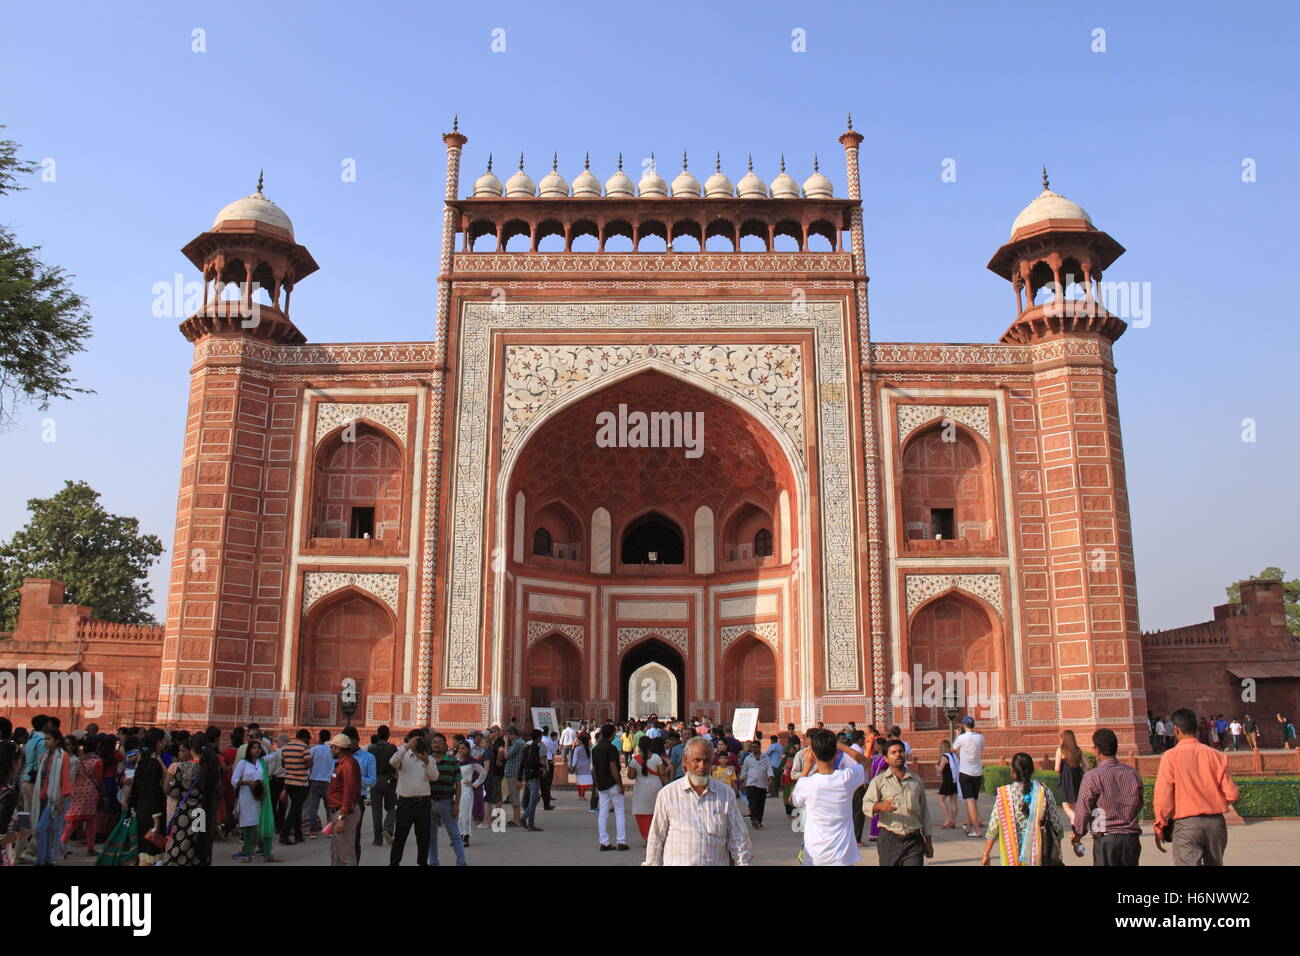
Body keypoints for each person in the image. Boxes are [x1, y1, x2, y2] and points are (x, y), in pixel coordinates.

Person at [644, 736, 752, 866]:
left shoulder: (725, 794)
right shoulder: (668, 795)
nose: (701, 766)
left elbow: (738, 836)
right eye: (697, 760)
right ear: (685, 761)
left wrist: (743, 862)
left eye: (706, 761)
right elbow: (656, 837)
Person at [1153, 708, 1239, 866]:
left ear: (1176, 729)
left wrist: (1160, 824)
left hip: (1187, 825)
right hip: (1216, 824)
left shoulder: (1170, 757)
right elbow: (1232, 794)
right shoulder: (1216, 755)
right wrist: (1213, 802)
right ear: (1197, 729)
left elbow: (1163, 796)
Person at [790, 729, 872, 866]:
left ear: (813, 754)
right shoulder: (846, 778)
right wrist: (841, 745)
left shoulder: (806, 783)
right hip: (843, 855)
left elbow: (793, 800)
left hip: (815, 855)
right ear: (835, 753)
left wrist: (807, 766)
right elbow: (866, 762)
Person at [1070, 728, 1143, 866]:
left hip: (1106, 840)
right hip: (1130, 839)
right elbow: (1139, 803)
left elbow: (1083, 809)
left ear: (1096, 750)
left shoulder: (1092, 777)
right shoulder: (1132, 773)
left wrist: (1077, 836)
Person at [980, 751, 1063, 866]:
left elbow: (993, 827)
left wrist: (986, 854)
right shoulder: (1043, 791)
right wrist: (1057, 846)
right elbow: (1056, 825)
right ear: (1032, 770)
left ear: (1013, 770)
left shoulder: (1004, 795)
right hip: (1039, 857)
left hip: (1012, 857)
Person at [863, 738, 933, 865]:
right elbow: (866, 805)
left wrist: (928, 841)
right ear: (886, 758)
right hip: (889, 839)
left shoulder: (916, 780)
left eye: (900, 751)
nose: (898, 755)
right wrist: (879, 806)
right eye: (893, 752)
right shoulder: (879, 781)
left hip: (913, 839)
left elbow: (924, 812)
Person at [389, 730, 438, 865]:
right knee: (400, 836)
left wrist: (426, 761)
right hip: (406, 802)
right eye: (415, 740)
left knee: (423, 837)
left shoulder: (429, 759)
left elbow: (434, 777)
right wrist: (406, 747)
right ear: (409, 740)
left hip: (423, 802)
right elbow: (393, 762)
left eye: (421, 740)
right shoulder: (403, 757)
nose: (418, 743)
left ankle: (422, 862)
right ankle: (394, 863)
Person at [162, 735, 211, 866]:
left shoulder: (183, 767)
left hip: (185, 811)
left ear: (192, 750)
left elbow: (174, 791)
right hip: (201, 811)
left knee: (181, 842)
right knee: (197, 843)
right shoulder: (210, 768)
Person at [230, 738, 278, 863]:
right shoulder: (243, 763)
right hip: (247, 798)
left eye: (258, 748)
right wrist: (246, 782)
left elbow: (275, 753)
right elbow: (234, 780)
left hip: (261, 798)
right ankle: (248, 854)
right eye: (254, 747)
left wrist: (263, 743)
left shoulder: (262, 761)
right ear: (249, 750)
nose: (257, 750)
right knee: (248, 827)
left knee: (265, 823)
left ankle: (267, 854)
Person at [32, 727, 73, 865]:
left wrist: (61, 802)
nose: (46, 742)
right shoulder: (45, 756)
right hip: (45, 797)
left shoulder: (63, 756)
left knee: (42, 828)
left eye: (49, 739)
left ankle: (41, 859)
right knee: (47, 829)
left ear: (57, 741)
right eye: (45, 739)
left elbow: (65, 779)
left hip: (57, 798)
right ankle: (47, 859)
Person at [427, 732, 466, 865]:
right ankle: (433, 862)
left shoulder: (452, 761)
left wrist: (456, 805)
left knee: (454, 834)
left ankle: (461, 861)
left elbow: (458, 784)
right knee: (431, 836)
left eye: (439, 742)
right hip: (430, 803)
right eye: (434, 742)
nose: (436, 744)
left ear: (445, 745)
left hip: (446, 802)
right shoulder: (427, 761)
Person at [130, 729, 167, 866]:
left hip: (142, 809)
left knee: (145, 851)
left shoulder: (143, 761)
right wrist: (156, 820)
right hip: (153, 812)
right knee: (151, 852)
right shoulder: (153, 764)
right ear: (158, 743)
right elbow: (154, 791)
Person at [62, 735, 102, 856]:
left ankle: (61, 845)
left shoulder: (78, 760)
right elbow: (99, 778)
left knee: (73, 820)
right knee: (91, 821)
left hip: (77, 790)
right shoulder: (98, 762)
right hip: (91, 791)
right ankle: (90, 848)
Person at [324, 733, 361, 866]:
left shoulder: (348, 765)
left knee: (346, 855)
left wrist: (342, 817)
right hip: (339, 811)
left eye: (332, 747)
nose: (330, 750)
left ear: (338, 748)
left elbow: (348, 792)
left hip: (345, 812)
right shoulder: (343, 763)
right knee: (337, 852)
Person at [592, 722, 628, 851]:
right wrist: (620, 784)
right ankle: (621, 841)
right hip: (612, 784)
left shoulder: (595, 749)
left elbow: (595, 769)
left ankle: (604, 842)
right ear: (612, 734)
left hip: (602, 784)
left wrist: (597, 785)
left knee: (603, 813)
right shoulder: (611, 748)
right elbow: (613, 767)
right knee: (619, 812)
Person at [343, 726, 375, 861]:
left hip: (357, 799)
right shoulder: (338, 756)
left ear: (357, 740)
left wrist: (356, 779)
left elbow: (372, 780)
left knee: (355, 835)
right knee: (340, 836)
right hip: (339, 800)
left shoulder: (368, 757)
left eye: (349, 741)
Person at [629, 734, 669, 841]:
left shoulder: (634, 760)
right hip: (656, 787)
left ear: (639, 746)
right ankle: (657, 837)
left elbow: (631, 776)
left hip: (641, 788)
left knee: (642, 813)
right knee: (655, 812)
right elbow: (662, 773)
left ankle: (647, 838)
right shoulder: (656, 757)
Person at [950, 716, 986, 837]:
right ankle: (968, 827)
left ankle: (977, 831)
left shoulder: (961, 738)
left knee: (971, 802)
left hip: (965, 772)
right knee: (972, 801)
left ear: (964, 726)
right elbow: (981, 750)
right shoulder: (980, 737)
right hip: (978, 772)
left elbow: (952, 749)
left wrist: (957, 735)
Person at [278, 728, 312, 846]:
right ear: (306, 738)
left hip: (288, 782)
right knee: (295, 809)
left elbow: (283, 764)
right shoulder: (304, 748)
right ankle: (284, 834)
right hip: (301, 782)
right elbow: (308, 764)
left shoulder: (286, 747)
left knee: (296, 807)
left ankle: (298, 834)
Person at [367, 725, 397, 846]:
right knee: (392, 807)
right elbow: (396, 763)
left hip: (375, 780)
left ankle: (377, 839)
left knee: (376, 810)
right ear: (388, 735)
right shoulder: (392, 747)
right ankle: (388, 828)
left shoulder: (371, 748)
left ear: (378, 735)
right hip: (389, 780)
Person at [455, 741, 487, 844]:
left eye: (463, 748)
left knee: (466, 813)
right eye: (459, 748)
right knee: (458, 814)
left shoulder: (471, 762)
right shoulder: (456, 761)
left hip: (466, 789)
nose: (461, 750)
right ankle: (459, 835)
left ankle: (466, 836)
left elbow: (483, 772)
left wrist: (474, 784)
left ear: (468, 749)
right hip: (456, 789)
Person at [306, 729, 334, 837]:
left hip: (315, 780)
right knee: (329, 807)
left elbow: (308, 762)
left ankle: (312, 831)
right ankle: (329, 830)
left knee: (314, 806)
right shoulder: (331, 750)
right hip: (327, 781)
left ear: (319, 738)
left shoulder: (314, 749)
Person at [740, 739, 773, 829]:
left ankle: (758, 820)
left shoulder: (765, 758)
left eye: (755, 747)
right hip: (751, 783)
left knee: (760, 803)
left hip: (762, 784)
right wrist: (742, 782)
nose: (753, 749)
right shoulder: (748, 758)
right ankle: (753, 819)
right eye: (752, 747)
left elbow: (769, 768)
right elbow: (744, 771)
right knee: (752, 802)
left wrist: (770, 778)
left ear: (759, 748)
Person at [1055, 729, 1086, 825]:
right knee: (1074, 805)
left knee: (1066, 806)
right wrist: (1081, 772)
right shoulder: (1077, 750)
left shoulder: (1061, 750)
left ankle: (1077, 820)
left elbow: (1057, 768)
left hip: (1066, 778)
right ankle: (1075, 833)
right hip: (1077, 776)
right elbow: (1086, 765)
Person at [519, 728, 545, 833]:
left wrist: (519, 777)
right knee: (534, 800)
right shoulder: (535, 748)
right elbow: (534, 762)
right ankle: (528, 822)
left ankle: (525, 818)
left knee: (535, 798)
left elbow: (523, 763)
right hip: (534, 775)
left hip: (528, 775)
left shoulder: (527, 747)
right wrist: (541, 765)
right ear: (538, 737)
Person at [501, 726, 526, 827]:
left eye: (508, 735)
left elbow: (507, 755)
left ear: (512, 734)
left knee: (514, 796)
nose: (507, 737)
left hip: (513, 773)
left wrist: (506, 743)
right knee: (513, 796)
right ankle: (516, 818)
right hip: (513, 772)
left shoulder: (517, 743)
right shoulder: (519, 742)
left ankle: (517, 819)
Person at [936, 740, 958, 828]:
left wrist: (936, 767)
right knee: (953, 801)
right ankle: (953, 821)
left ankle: (947, 820)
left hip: (947, 781)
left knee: (940, 799)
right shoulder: (953, 755)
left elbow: (940, 769)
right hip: (954, 780)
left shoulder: (944, 757)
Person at [570, 731, 594, 801]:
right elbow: (591, 758)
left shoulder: (577, 749)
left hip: (578, 766)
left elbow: (574, 759)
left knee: (579, 781)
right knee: (584, 781)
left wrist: (573, 766)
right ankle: (582, 795)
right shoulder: (588, 748)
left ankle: (580, 795)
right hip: (586, 767)